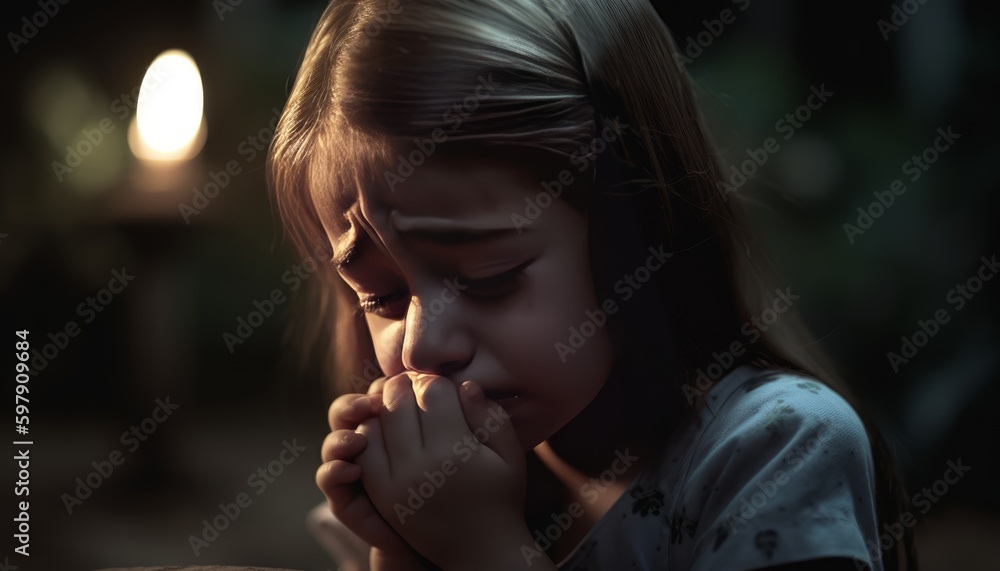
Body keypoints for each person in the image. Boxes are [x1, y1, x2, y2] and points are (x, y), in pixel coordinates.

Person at [267, 0, 918, 569]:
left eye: (488, 279)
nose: (420, 346)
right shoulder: (437, 492)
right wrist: (405, 549)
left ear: (633, 232)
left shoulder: (773, 449)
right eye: (380, 297)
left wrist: (482, 549)